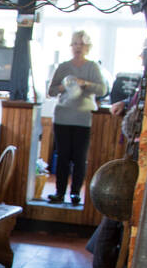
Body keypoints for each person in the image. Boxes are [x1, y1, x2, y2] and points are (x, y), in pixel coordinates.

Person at [47, 31, 109, 205]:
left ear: (87, 47)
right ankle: (59, 193)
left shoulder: (93, 67)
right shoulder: (63, 67)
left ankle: (75, 194)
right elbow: (51, 91)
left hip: (83, 118)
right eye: (74, 44)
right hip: (62, 117)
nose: (77, 47)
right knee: (63, 156)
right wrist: (63, 86)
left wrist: (85, 83)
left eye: (81, 44)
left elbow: (103, 90)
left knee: (80, 157)